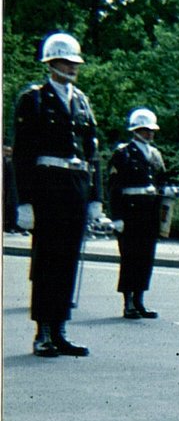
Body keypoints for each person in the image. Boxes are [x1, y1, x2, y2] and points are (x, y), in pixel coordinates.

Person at [12, 32, 101, 357]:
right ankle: (43, 332)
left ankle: (61, 328)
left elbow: (93, 154)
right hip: (48, 189)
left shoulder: (82, 102)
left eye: (74, 62)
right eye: (65, 62)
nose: (72, 67)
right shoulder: (33, 99)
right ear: (51, 64)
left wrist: (96, 198)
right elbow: (22, 157)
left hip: (76, 187)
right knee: (48, 260)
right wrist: (23, 202)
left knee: (68, 260)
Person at [107, 108, 166, 320]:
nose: (150, 133)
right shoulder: (123, 153)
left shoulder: (155, 154)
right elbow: (114, 187)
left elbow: (160, 182)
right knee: (130, 257)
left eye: (151, 130)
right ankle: (128, 302)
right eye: (145, 129)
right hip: (130, 212)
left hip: (149, 211)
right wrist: (117, 217)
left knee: (145, 257)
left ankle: (140, 300)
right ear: (136, 130)